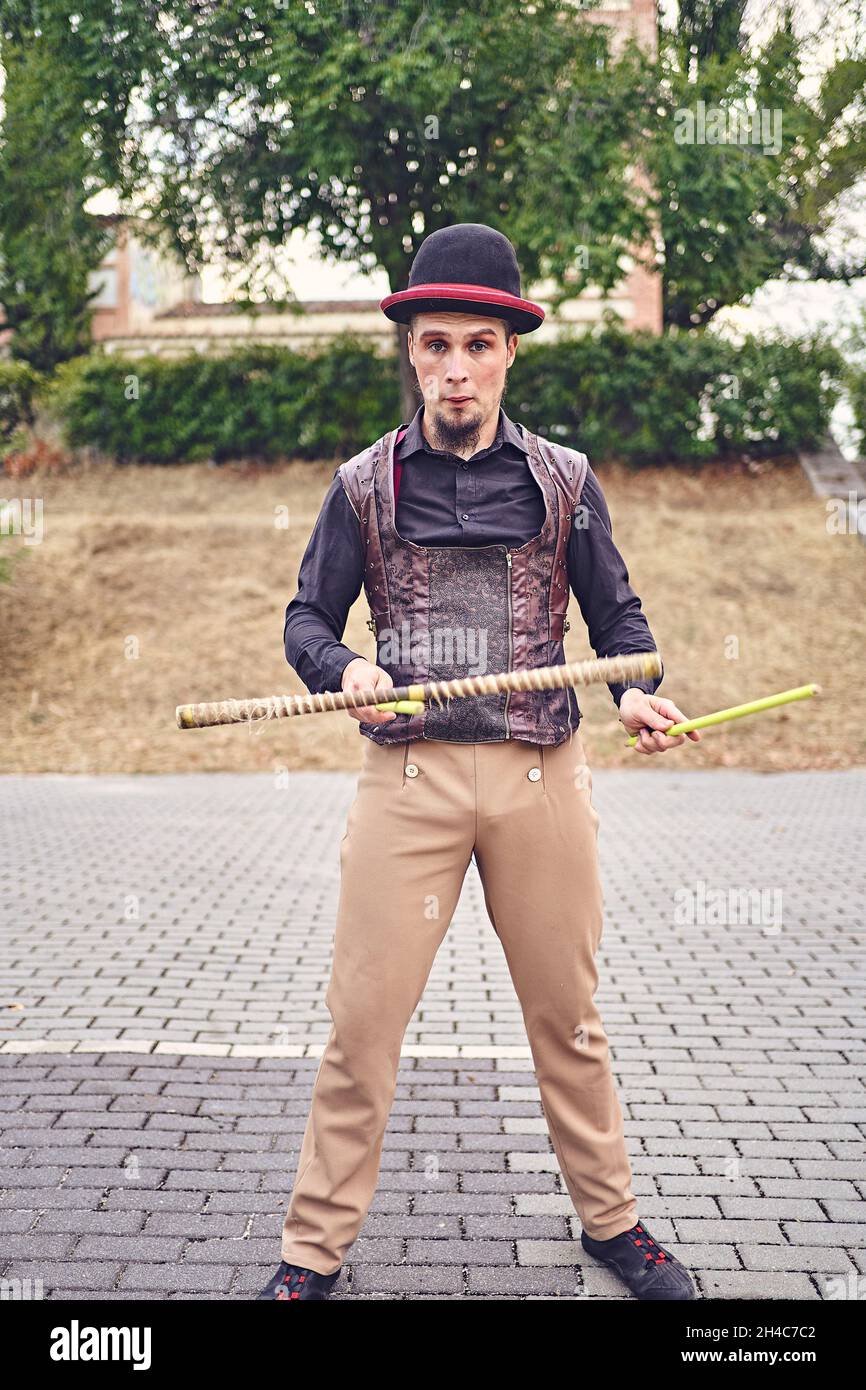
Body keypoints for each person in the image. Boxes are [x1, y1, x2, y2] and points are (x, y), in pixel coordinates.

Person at [257, 223, 700, 1301]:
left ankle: (612, 1223)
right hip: (406, 778)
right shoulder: (360, 484)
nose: (455, 367)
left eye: (476, 345)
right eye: (434, 344)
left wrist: (633, 690)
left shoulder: (564, 479)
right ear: (409, 350)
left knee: (569, 1017)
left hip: (538, 772)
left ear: (509, 350)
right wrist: (343, 667)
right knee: (361, 1024)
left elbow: (617, 616)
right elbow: (305, 616)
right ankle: (312, 1251)